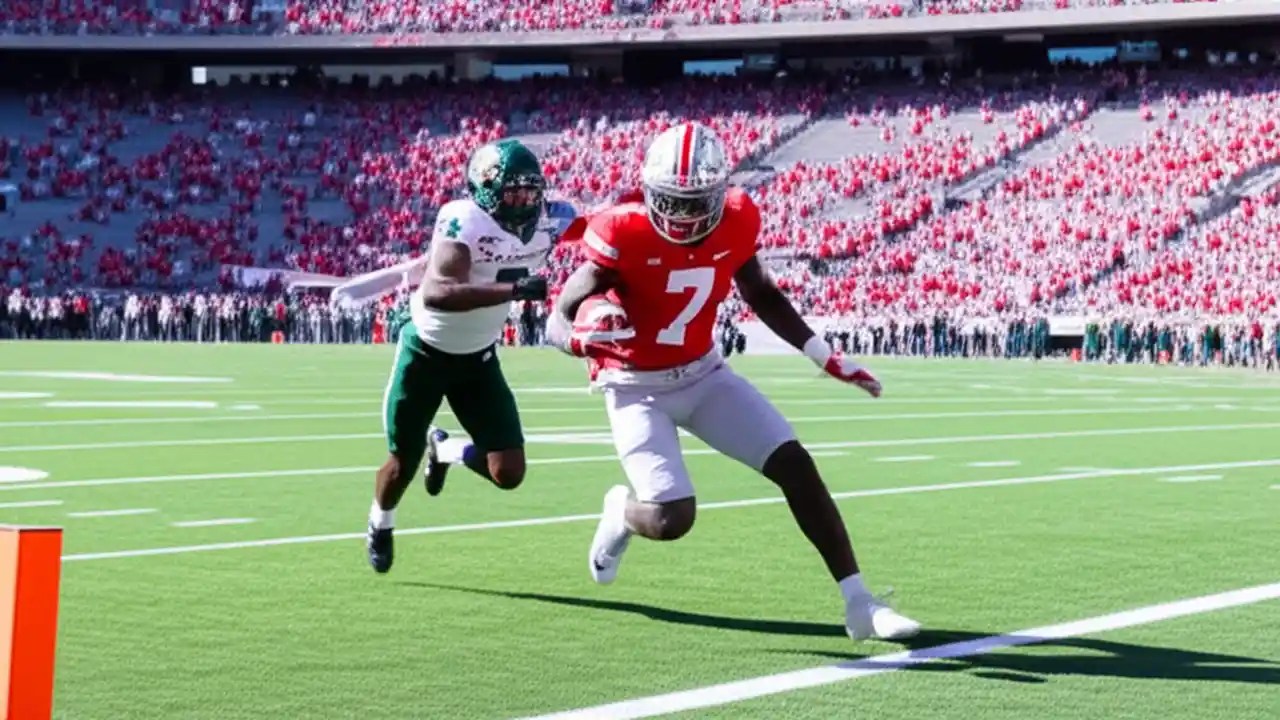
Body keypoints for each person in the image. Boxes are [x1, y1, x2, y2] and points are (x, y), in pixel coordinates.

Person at [547, 122, 920, 641]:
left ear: (720, 195)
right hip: (635, 386)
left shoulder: (738, 219)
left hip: (704, 373)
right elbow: (556, 320)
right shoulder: (622, 230)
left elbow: (761, 293)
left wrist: (823, 355)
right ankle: (621, 512)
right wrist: (584, 339)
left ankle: (859, 602)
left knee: (795, 464)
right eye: (670, 201)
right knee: (672, 518)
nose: (682, 215)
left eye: (694, 201)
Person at [366, 138, 556, 574]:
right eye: (513, 192)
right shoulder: (461, 218)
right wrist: (513, 290)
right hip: (425, 355)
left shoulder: (551, 220)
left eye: (530, 192)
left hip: (478, 359)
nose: (524, 201)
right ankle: (381, 521)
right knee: (401, 463)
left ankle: (448, 451)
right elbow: (437, 292)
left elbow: (601, 226)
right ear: (486, 190)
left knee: (509, 472)